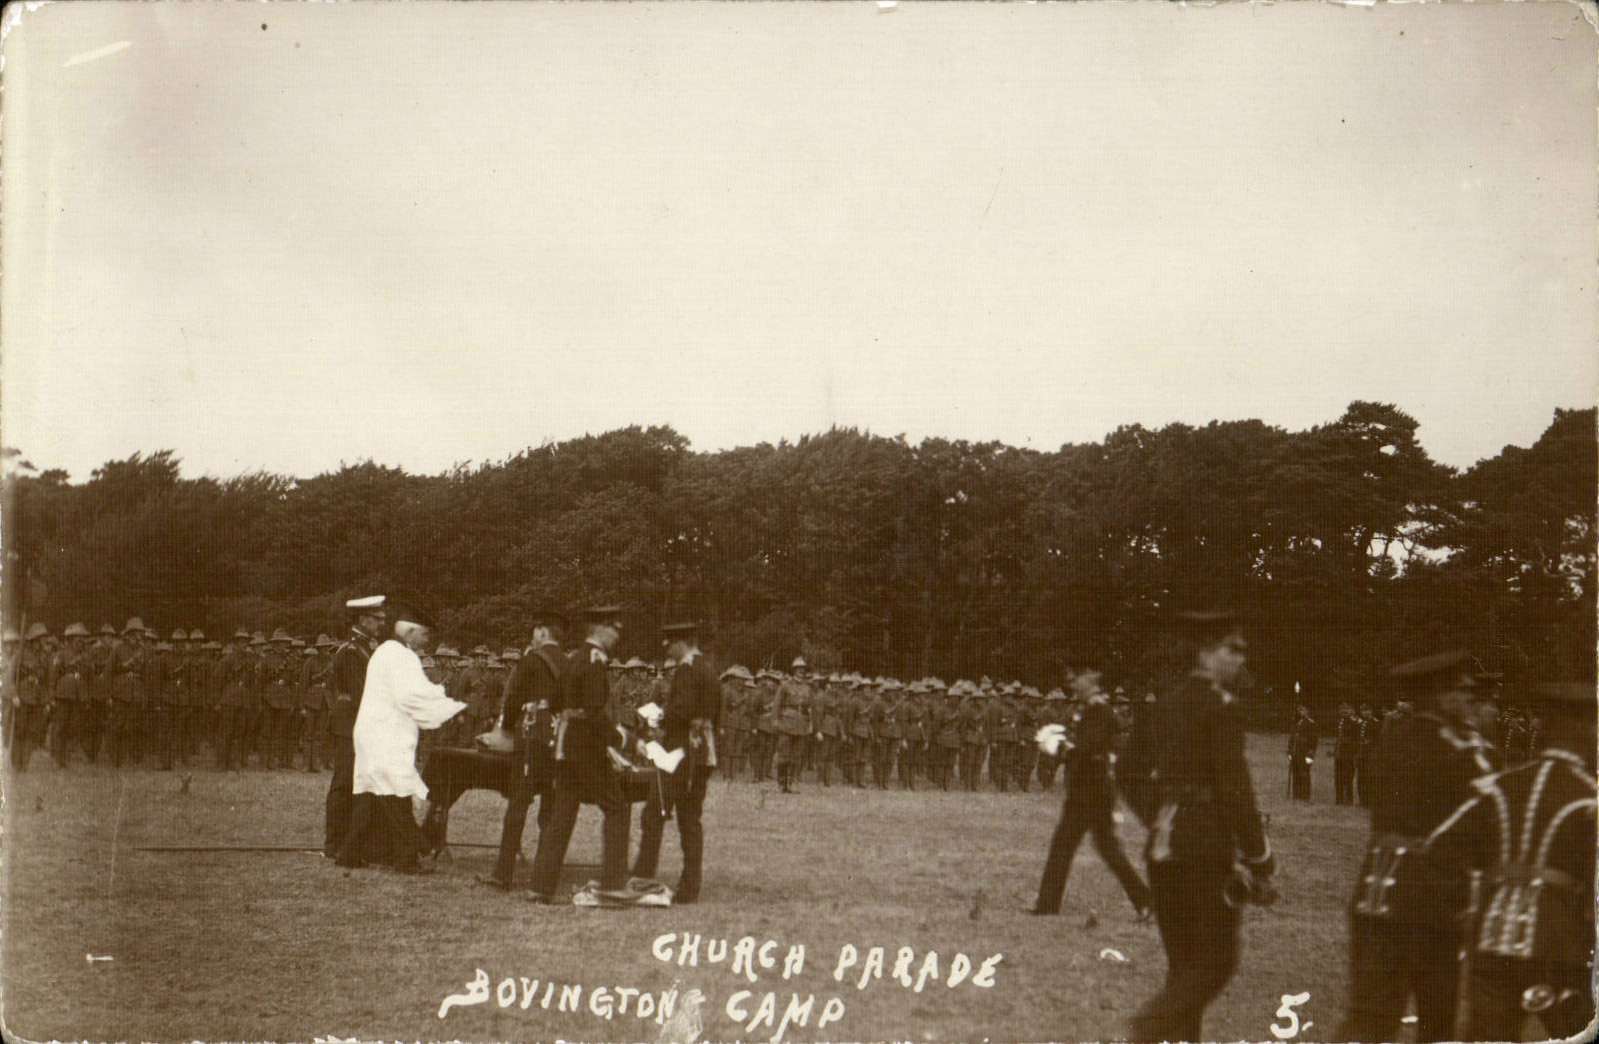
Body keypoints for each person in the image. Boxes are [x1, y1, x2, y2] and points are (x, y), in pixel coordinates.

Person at [1119, 610, 1275, 1044]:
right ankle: (1144, 1032)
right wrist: (1260, 857)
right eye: (1233, 649)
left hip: (1162, 845)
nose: (1240, 659)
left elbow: (1128, 770)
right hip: (1204, 848)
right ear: (1207, 653)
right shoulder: (1220, 708)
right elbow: (1236, 789)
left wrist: (1162, 811)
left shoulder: (1164, 702)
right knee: (1215, 963)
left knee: (1183, 967)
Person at [1338, 650, 1499, 1043]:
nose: (1468, 698)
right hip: (1432, 902)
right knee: (1437, 1020)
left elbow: (1376, 804)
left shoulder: (1391, 741)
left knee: (1369, 1018)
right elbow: (1486, 830)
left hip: (1377, 893)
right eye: (1462, 691)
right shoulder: (1466, 754)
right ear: (1442, 697)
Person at [1423, 680, 1596, 1041]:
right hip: (1559, 944)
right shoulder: (1588, 798)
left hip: (1493, 936)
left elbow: (1440, 846)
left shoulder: (1499, 786)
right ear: (1583, 730)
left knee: (1487, 1034)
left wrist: (1473, 896)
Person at [336, 603, 464, 873]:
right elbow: (413, 696)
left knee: (371, 794)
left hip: (373, 732)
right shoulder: (402, 657)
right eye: (424, 635)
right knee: (397, 796)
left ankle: (348, 854)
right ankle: (408, 858)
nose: (427, 642)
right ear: (410, 632)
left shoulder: (384, 651)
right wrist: (453, 706)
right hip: (386, 735)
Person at [527, 606, 637, 906]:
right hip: (585, 749)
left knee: (562, 814)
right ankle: (614, 882)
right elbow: (593, 713)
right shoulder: (593, 660)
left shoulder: (574, 658)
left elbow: (556, 700)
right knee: (617, 806)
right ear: (600, 629)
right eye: (614, 629)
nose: (617, 635)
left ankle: (540, 885)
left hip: (566, 747)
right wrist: (624, 739)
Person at [1032, 670, 1152, 919]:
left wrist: (1062, 748)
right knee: (1103, 849)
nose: (1072, 683)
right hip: (1088, 790)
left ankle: (1047, 906)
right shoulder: (1089, 709)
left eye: (1077, 678)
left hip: (1092, 791)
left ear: (1091, 679)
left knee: (1069, 846)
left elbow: (1090, 747)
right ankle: (1145, 902)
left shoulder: (1101, 711)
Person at [633, 621, 722, 903]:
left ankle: (642, 879)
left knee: (653, 813)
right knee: (690, 819)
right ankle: (690, 887)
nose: (667, 649)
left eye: (670, 643)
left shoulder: (686, 670)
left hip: (679, 754)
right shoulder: (708, 669)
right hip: (703, 753)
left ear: (682, 642)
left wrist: (652, 717)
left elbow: (679, 712)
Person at [481, 609, 565, 891]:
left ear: (541, 632)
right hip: (558, 740)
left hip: (530, 738)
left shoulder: (531, 660)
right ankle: (543, 874)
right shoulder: (568, 661)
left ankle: (503, 873)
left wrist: (504, 726)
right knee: (551, 810)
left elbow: (513, 697)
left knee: (518, 804)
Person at [325, 596, 385, 857]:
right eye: (377, 619)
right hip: (349, 725)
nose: (381, 624)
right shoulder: (351, 651)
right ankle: (334, 844)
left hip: (360, 724)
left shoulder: (366, 649)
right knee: (343, 782)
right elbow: (362, 692)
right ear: (363, 620)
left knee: (358, 783)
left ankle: (351, 842)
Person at [1287, 703, 1317, 801]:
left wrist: (1311, 753)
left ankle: (1304, 796)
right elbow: (1292, 737)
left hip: (1304, 752)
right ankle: (1296, 795)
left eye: (1303, 710)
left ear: (1307, 711)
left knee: (1304, 773)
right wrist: (1289, 750)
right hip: (1296, 752)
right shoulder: (1298, 722)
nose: (1300, 712)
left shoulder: (1311, 723)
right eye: (1299, 710)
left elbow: (1313, 740)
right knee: (1296, 773)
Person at [1333, 702, 1360, 805]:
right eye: (1342, 709)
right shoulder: (1340, 721)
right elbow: (1338, 738)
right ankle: (1339, 799)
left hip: (1349, 754)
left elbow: (1357, 740)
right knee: (1338, 777)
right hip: (1339, 754)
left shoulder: (1355, 723)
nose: (1344, 711)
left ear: (1351, 710)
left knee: (1348, 777)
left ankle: (1348, 800)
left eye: (1346, 709)